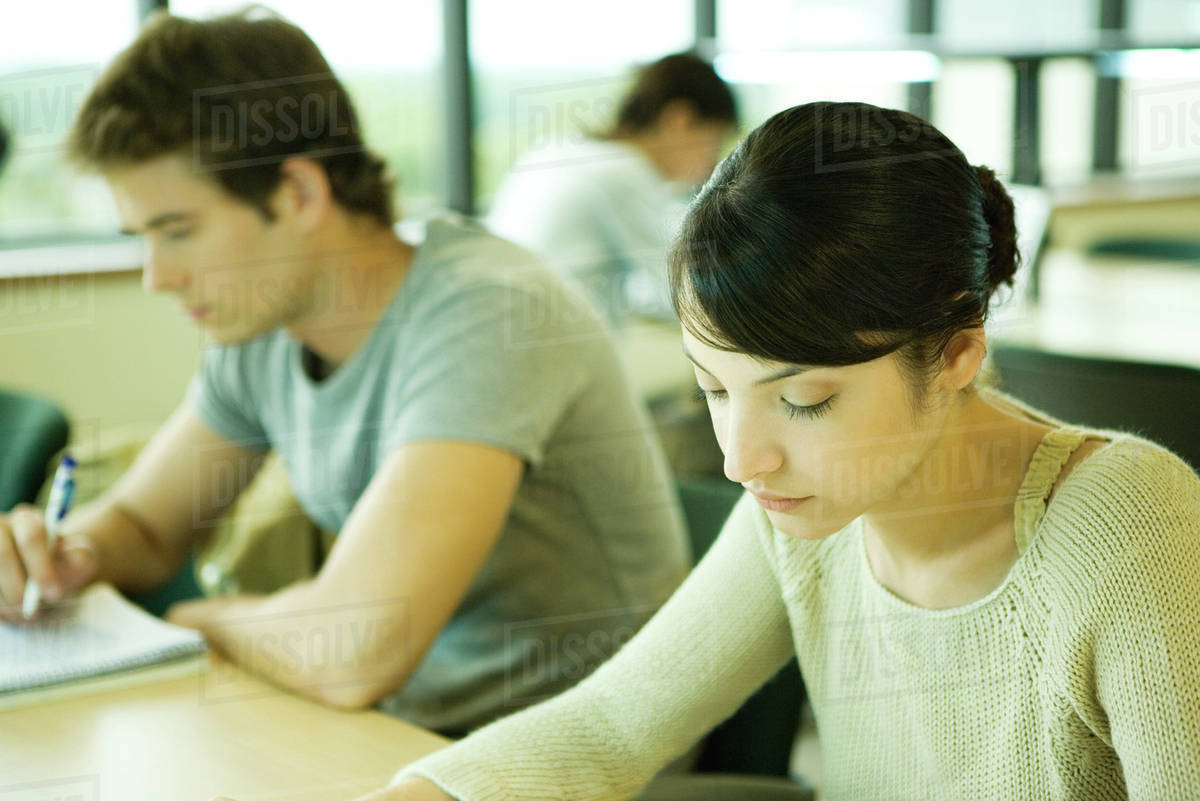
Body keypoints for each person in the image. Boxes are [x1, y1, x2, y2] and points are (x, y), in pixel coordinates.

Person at [324, 102, 1198, 800]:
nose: (744, 459)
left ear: (959, 355)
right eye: (713, 389)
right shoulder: (805, 514)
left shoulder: (1129, 523)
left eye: (804, 400)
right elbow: (614, 726)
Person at [0, 9, 691, 738]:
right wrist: (60, 555)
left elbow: (356, 646)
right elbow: (146, 526)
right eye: (141, 239)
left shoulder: (487, 314)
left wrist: (201, 618)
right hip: (402, 737)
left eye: (177, 231)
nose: (156, 277)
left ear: (299, 192)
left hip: (574, 757)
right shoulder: (261, 329)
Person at [486, 52, 738, 327]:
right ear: (680, 120)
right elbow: (678, 294)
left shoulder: (556, 149)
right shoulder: (622, 171)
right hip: (548, 343)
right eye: (713, 142)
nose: (710, 166)